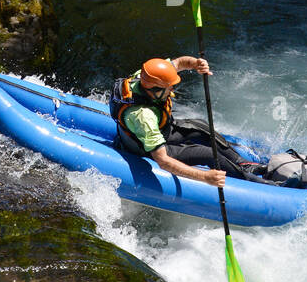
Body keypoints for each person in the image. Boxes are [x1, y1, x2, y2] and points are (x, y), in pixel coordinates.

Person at [110, 56, 264, 188]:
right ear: (155, 90)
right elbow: (163, 161)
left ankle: (244, 164)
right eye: (169, 88)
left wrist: (196, 63)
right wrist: (205, 177)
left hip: (162, 129)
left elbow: (179, 62)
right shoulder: (143, 116)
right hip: (145, 148)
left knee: (201, 127)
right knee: (207, 154)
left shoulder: (148, 76)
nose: (172, 91)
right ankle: (253, 181)